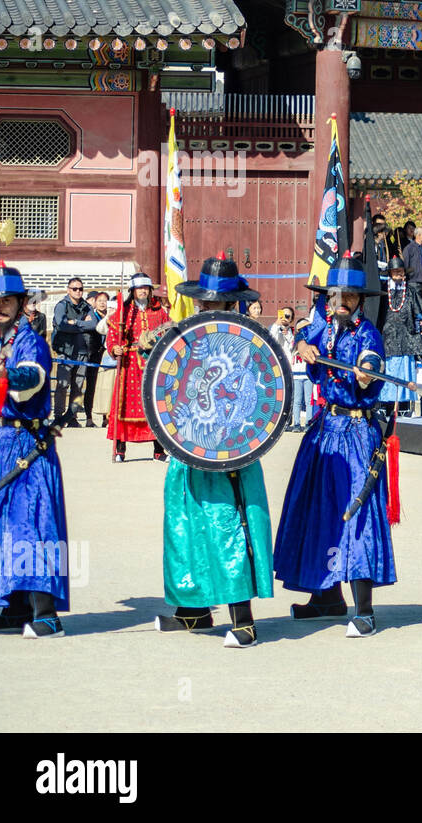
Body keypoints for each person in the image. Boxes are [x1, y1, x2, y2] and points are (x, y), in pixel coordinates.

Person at [152, 257, 274, 648]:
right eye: (204, 305)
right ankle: (194, 612)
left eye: (217, 306)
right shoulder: (183, 338)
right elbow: (167, 387)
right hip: (188, 450)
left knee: (228, 528)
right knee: (183, 528)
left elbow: (262, 400)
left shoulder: (251, 344)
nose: (209, 311)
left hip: (229, 455)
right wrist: (157, 349)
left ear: (232, 306)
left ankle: (243, 620)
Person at [274, 255, 395, 638]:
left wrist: (364, 372)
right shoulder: (322, 326)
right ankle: (326, 596)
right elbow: (301, 340)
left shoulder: (366, 333)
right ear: (328, 297)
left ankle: (365, 608)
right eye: (336, 294)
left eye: (350, 296)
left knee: (355, 514)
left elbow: (371, 362)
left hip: (358, 433)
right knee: (317, 510)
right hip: (325, 428)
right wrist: (301, 347)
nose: (342, 301)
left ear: (359, 300)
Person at [0, 264, 69, 639]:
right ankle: (13, 607)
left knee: (29, 526)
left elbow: (32, 377)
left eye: (6, 300)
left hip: (28, 448)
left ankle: (47, 614)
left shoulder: (30, 340)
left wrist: (6, 376)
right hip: (4, 443)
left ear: (22, 303)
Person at [104, 272, 170, 462]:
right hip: (129, 364)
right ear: (132, 291)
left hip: (152, 365)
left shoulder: (159, 312)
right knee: (123, 406)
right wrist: (114, 348)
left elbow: (167, 333)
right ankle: (120, 450)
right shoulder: (123, 312)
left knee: (154, 406)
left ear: (150, 290)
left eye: (145, 288)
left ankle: (159, 451)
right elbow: (112, 336)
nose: (142, 291)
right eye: (139, 288)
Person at [380, 256, 422, 414]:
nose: (398, 275)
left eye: (400, 272)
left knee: (404, 373)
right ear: (390, 274)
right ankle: (384, 407)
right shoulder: (382, 290)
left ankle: (404, 408)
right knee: (388, 373)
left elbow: (418, 314)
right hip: (387, 338)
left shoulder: (410, 291)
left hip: (406, 338)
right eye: (395, 272)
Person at [50, 276, 97, 428]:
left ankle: (72, 417)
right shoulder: (61, 305)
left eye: (81, 289)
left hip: (82, 351)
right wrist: (83, 324)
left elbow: (94, 324)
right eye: (75, 289)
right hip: (66, 351)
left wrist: (76, 323)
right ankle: (58, 416)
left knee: (78, 386)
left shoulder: (85, 306)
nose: (78, 291)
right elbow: (62, 325)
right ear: (68, 290)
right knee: (63, 385)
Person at [84, 291, 109, 428]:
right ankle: (88, 417)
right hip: (93, 354)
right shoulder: (91, 316)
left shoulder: (112, 316)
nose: (102, 303)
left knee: (106, 387)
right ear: (95, 302)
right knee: (91, 386)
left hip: (107, 355)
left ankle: (106, 417)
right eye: (99, 300)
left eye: (105, 300)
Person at [288, 316, 314, 431]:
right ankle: (297, 424)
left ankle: (308, 423)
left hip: (307, 375)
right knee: (297, 400)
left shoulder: (312, 342)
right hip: (296, 374)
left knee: (309, 400)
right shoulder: (294, 342)